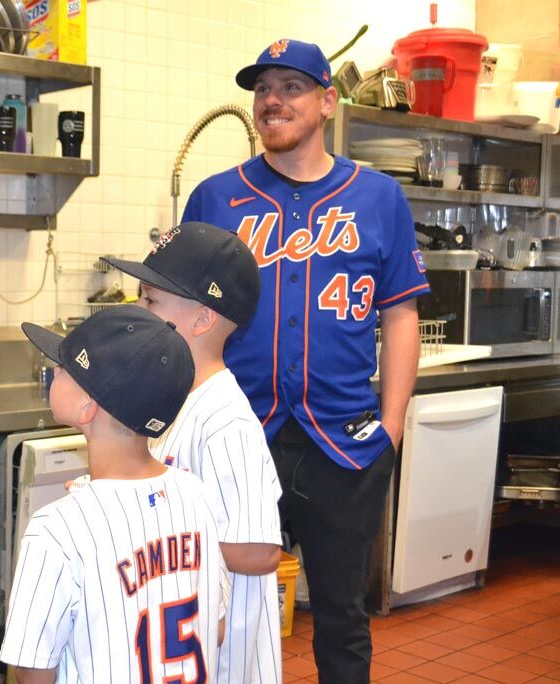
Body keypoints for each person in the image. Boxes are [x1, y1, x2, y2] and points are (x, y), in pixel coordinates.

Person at [181, 39, 428, 683]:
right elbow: (176, 316)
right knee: (223, 606)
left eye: (292, 87)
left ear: (326, 101)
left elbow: (401, 314)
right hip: (239, 438)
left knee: (343, 620)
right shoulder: (215, 198)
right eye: (263, 88)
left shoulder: (377, 198)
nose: (273, 100)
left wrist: (392, 428)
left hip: (344, 442)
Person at [0, 305, 230, 683]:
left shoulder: (56, 529)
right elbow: (215, 630)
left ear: (88, 406)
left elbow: (32, 672)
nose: (55, 369)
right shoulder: (194, 493)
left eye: (65, 366)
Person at [105, 222, 284, 683]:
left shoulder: (226, 422)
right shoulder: (174, 399)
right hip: (183, 654)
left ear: (203, 319)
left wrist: (155, 533)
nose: (139, 311)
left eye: (150, 300)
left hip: (227, 663)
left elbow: (260, 551)